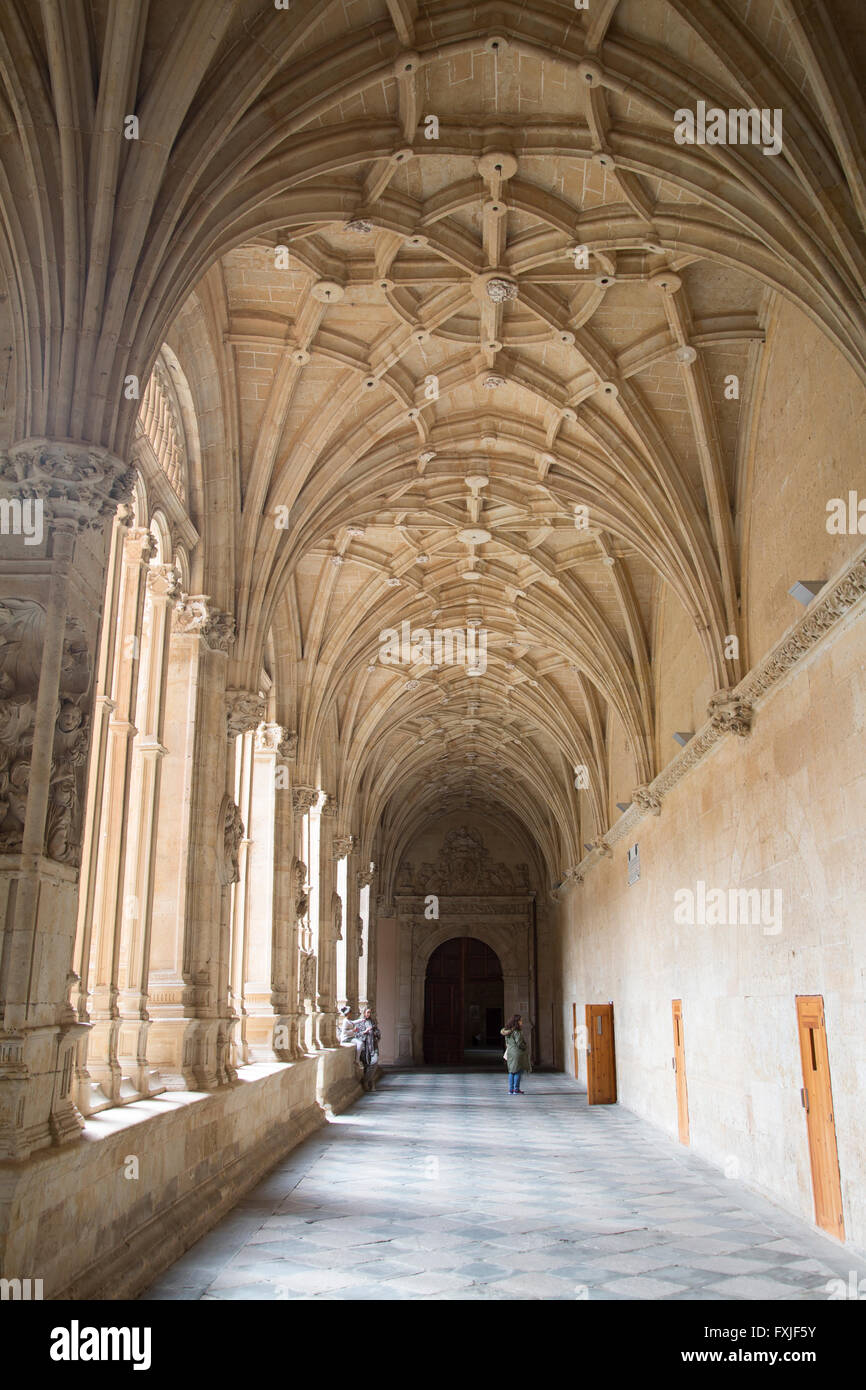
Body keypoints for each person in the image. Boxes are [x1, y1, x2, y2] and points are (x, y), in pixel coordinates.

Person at [347, 1006, 380, 1091]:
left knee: (374, 1062)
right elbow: (356, 1034)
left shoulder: (372, 1022)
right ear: (364, 1013)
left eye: (370, 1012)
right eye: (367, 1012)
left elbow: (378, 1032)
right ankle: (370, 1084)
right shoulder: (360, 1022)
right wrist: (365, 1032)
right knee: (367, 1066)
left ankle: (365, 1081)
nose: (369, 1014)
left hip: (373, 1046)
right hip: (365, 1048)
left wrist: (375, 1033)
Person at [501, 1014, 531, 1094]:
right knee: (518, 1071)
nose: (522, 1022)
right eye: (520, 1020)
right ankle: (516, 1089)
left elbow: (507, 1043)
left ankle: (511, 1090)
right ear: (517, 1022)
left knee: (511, 1071)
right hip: (517, 1053)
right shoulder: (517, 1031)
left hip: (510, 1052)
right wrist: (525, 1046)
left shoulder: (507, 1031)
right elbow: (519, 1043)